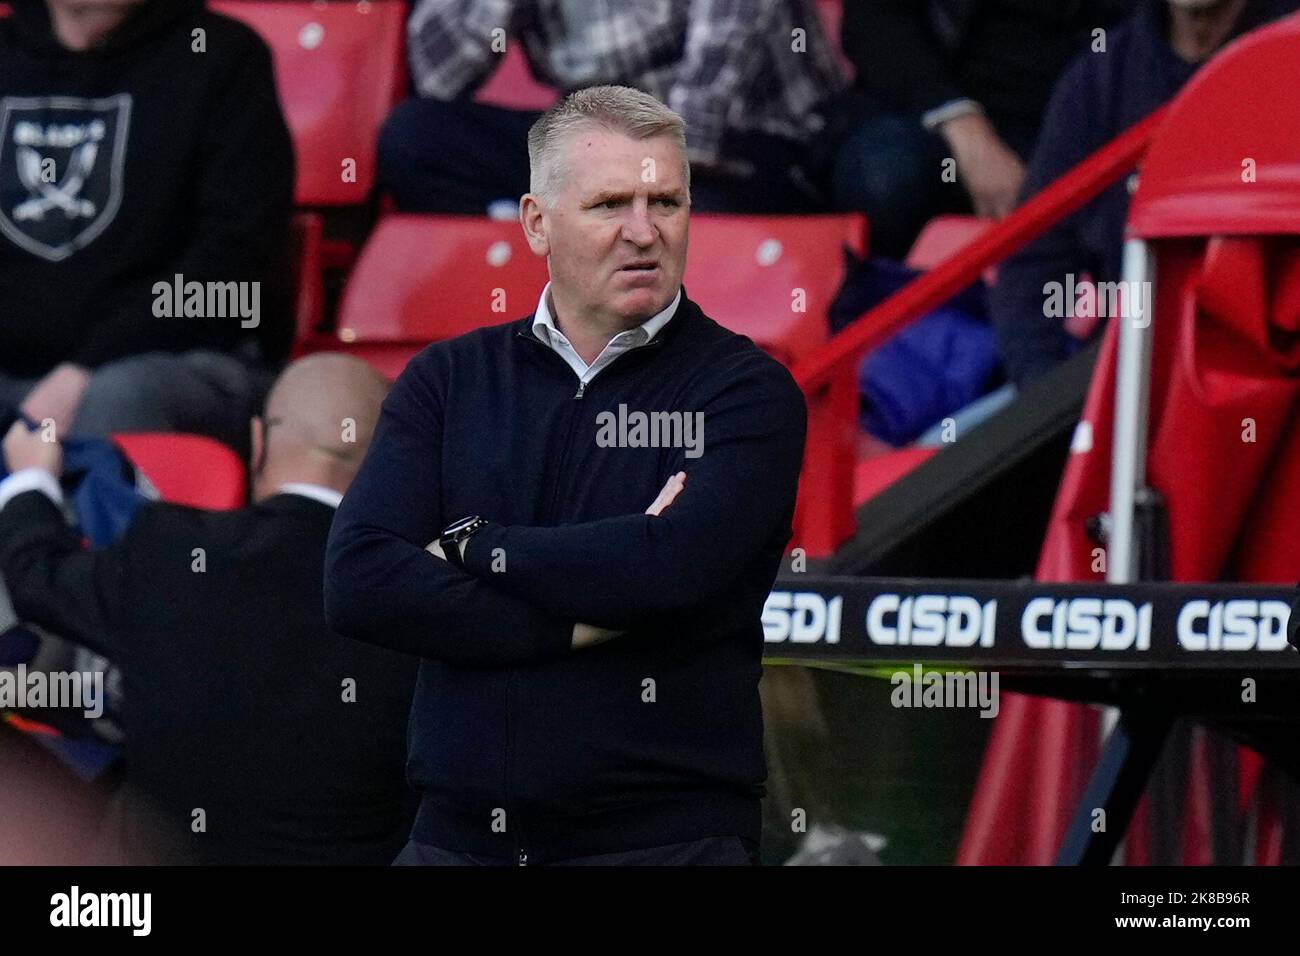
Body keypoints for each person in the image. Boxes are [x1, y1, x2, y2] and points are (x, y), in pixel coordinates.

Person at [326, 86, 807, 866]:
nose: (644, 233)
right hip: (455, 841)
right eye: (610, 203)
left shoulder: (746, 391)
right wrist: (581, 614)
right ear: (536, 223)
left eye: (667, 202)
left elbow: (669, 571)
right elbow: (360, 582)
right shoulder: (448, 379)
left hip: (663, 845)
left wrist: (473, 545)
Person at [0, 354, 418, 865]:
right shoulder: (422, 596)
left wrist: (31, 480)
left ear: (258, 442)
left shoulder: (167, 550)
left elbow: (37, 579)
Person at [0, 0, 294, 456]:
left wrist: (86, 366)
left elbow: (235, 265)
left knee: (117, 397)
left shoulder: (221, 55)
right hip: (16, 370)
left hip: (179, 361)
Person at [990, 0, 1298, 388]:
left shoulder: (1289, 52)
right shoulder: (1100, 76)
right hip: (1128, 384)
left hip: (1268, 384)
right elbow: (1031, 263)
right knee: (952, 447)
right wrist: (1047, 399)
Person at [380, 0, 845, 214]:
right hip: (593, 140)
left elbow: (710, 85)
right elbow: (439, 80)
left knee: (687, 212)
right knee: (416, 138)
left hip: (740, 146)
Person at [831, 0, 1134, 259]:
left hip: (1108, 125)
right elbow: (875, 25)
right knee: (883, 174)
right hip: (949, 116)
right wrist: (961, 125)